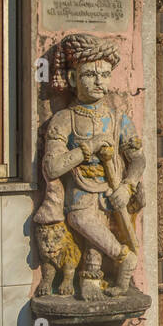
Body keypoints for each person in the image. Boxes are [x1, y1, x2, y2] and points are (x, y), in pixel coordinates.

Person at [34, 34, 145, 298]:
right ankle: (122, 257)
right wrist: (87, 147)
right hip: (80, 192)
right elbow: (51, 168)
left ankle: (91, 280)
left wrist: (128, 186)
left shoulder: (118, 119)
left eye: (105, 75)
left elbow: (137, 158)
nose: (99, 82)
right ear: (73, 79)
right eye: (91, 75)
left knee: (101, 221)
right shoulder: (64, 119)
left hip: (113, 191)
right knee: (79, 217)